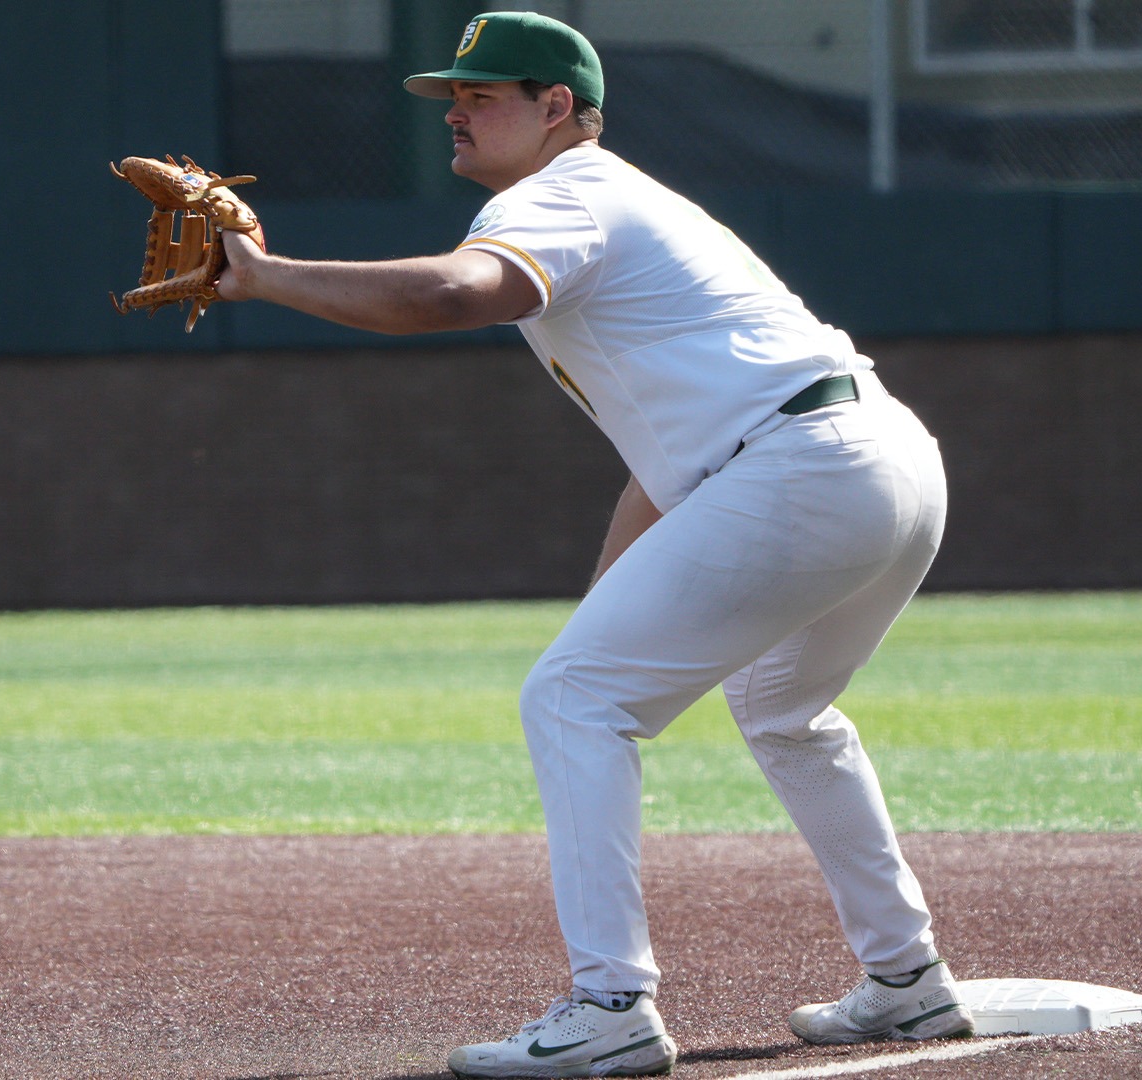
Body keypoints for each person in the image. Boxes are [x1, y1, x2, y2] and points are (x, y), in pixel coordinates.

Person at [215, 11, 975, 1078]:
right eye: (454, 96)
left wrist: (263, 274)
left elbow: (447, 295)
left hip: (804, 469)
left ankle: (612, 1005)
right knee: (779, 707)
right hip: (878, 456)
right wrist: (606, 612)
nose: (458, 114)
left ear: (558, 109)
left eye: (484, 95)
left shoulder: (563, 193)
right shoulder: (620, 201)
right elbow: (667, 463)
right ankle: (908, 980)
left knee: (573, 697)